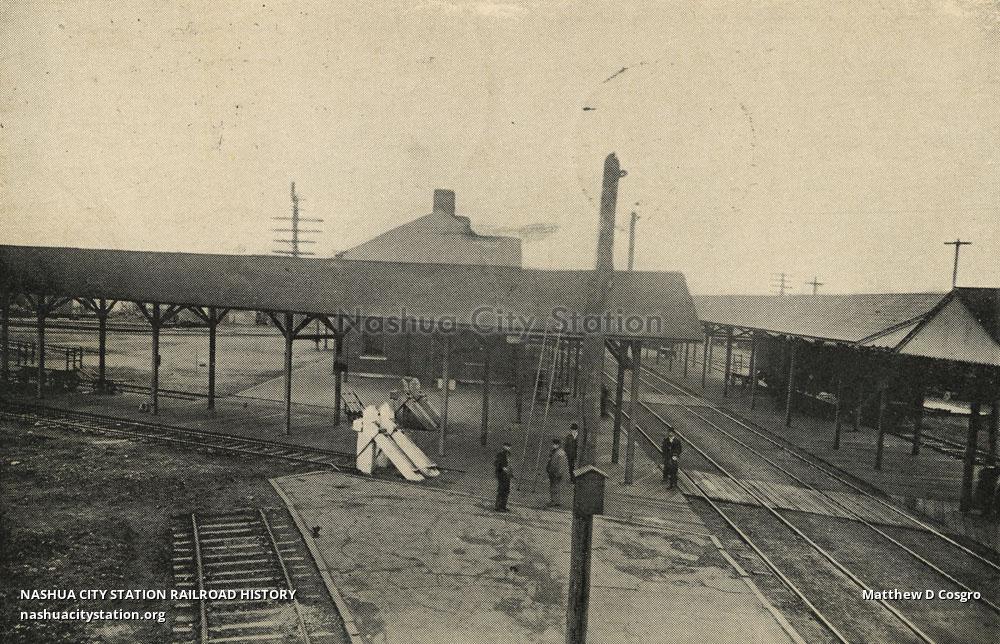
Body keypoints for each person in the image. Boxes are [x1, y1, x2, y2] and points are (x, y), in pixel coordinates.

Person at [546, 438, 569, 507]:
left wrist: (559, 473)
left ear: (558, 445)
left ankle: (555, 501)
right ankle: (555, 501)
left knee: (555, 487)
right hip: (553, 471)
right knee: (553, 486)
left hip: (557, 472)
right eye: (553, 444)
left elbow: (561, 464)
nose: (554, 445)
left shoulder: (560, 453)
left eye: (555, 444)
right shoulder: (554, 451)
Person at [494, 442, 513, 512]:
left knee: (506, 491)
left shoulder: (509, 454)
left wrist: (511, 473)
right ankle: (498, 507)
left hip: (507, 475)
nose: (508, 448)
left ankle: (503, 506)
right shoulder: (500, 454)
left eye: (509, 447)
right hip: (501, 474)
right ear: (503, 446)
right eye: (507, 446)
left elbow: (510, 464)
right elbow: (496, 463)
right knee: (501, 490)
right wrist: (502, 468)